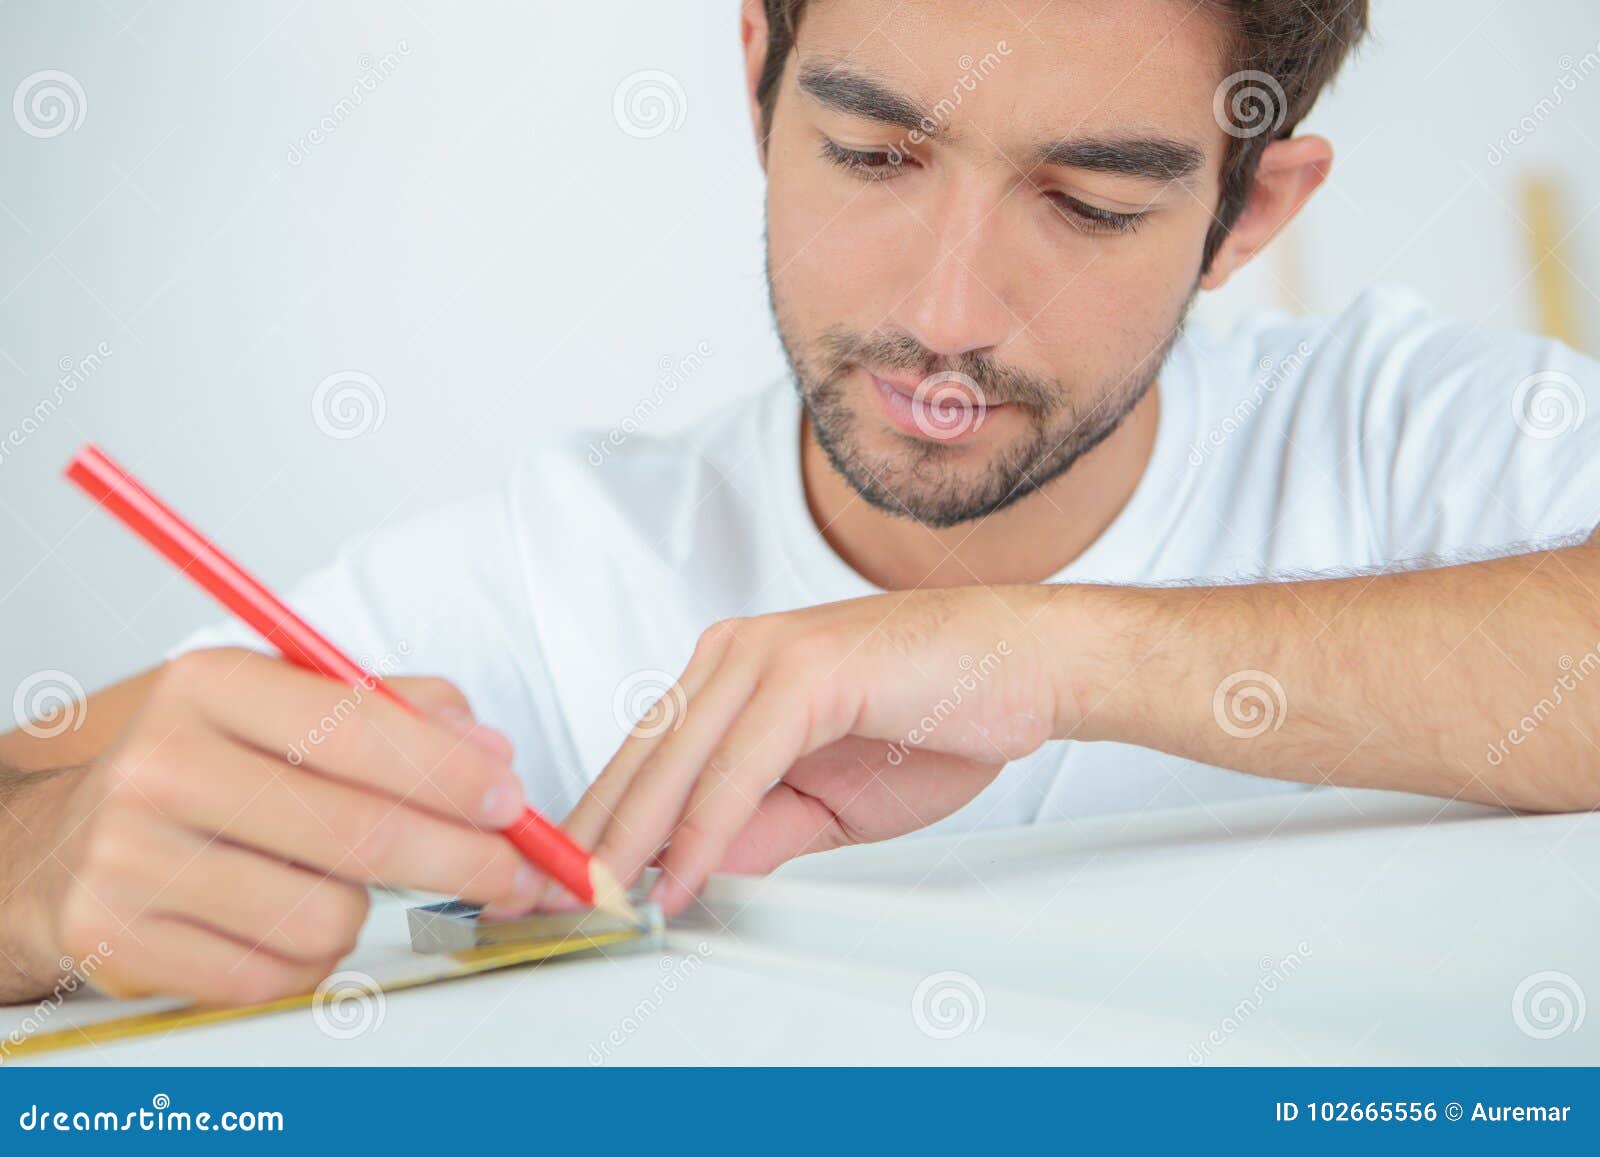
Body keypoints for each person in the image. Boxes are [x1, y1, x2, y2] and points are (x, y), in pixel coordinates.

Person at [4, 0, 1597, 1006]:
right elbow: (35, 801)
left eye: (1089, 202)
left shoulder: (1423, 441)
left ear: (1250, 207)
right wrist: (39, 885)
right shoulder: (540, 581)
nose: (952, 312)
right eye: (872, 155)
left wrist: (1044, 659)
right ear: (758, 74)